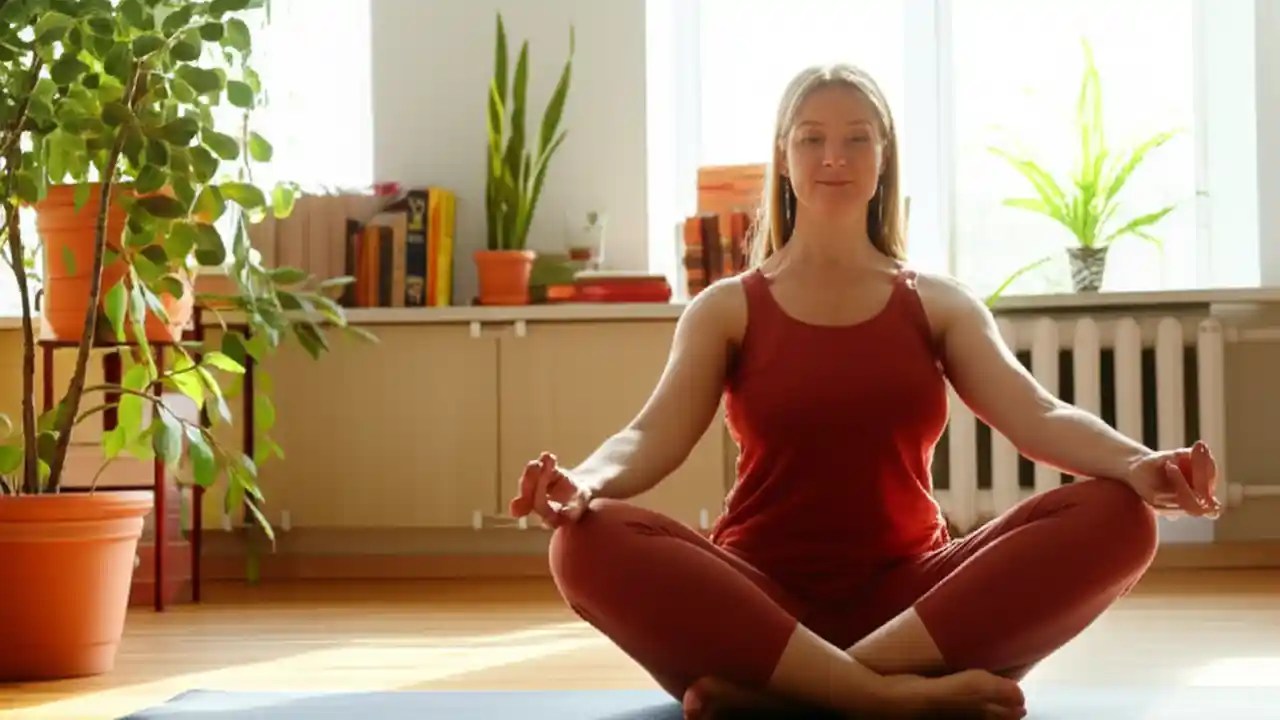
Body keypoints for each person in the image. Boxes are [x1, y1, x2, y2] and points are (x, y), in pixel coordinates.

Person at [508, 63, 1221, 719]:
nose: (834, 157)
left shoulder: (937, 304)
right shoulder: (726, 308)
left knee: (1123, 518)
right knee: (582, 543)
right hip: (757, 601)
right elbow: (648, 435)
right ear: (783, 159)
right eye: (812, 139)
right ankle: (885, 701)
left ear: (884, 159)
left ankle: (795, 694)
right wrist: (584, 481)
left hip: (914, 605)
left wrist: (1136, 463)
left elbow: (1036, 412)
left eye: (857, 139)